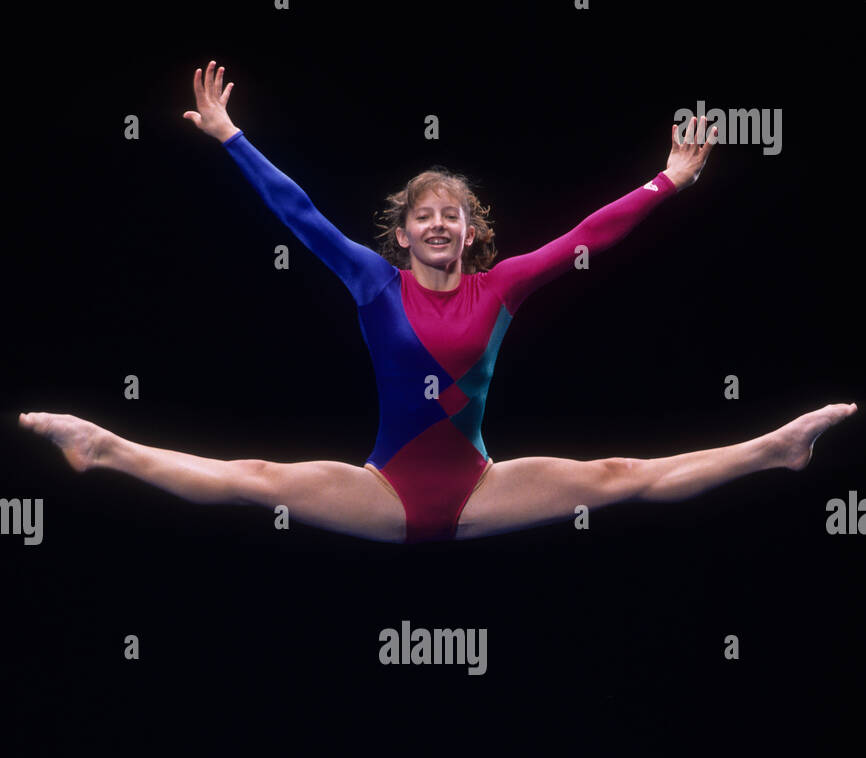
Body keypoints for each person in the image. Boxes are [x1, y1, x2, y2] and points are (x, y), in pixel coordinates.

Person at [19, 62, 857, 542]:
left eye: (451, 216)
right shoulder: (371, 280)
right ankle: (101, 446)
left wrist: (668, 181)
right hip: (384, 489)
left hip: (480, 486)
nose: (439, 225)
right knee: (255, 477)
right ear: (404, 234)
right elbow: (298, 212)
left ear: (470, 233)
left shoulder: (503, 287)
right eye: (424, 216)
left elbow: (586, 237)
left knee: (621, 476)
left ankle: (776, 447)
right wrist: (231, 136)